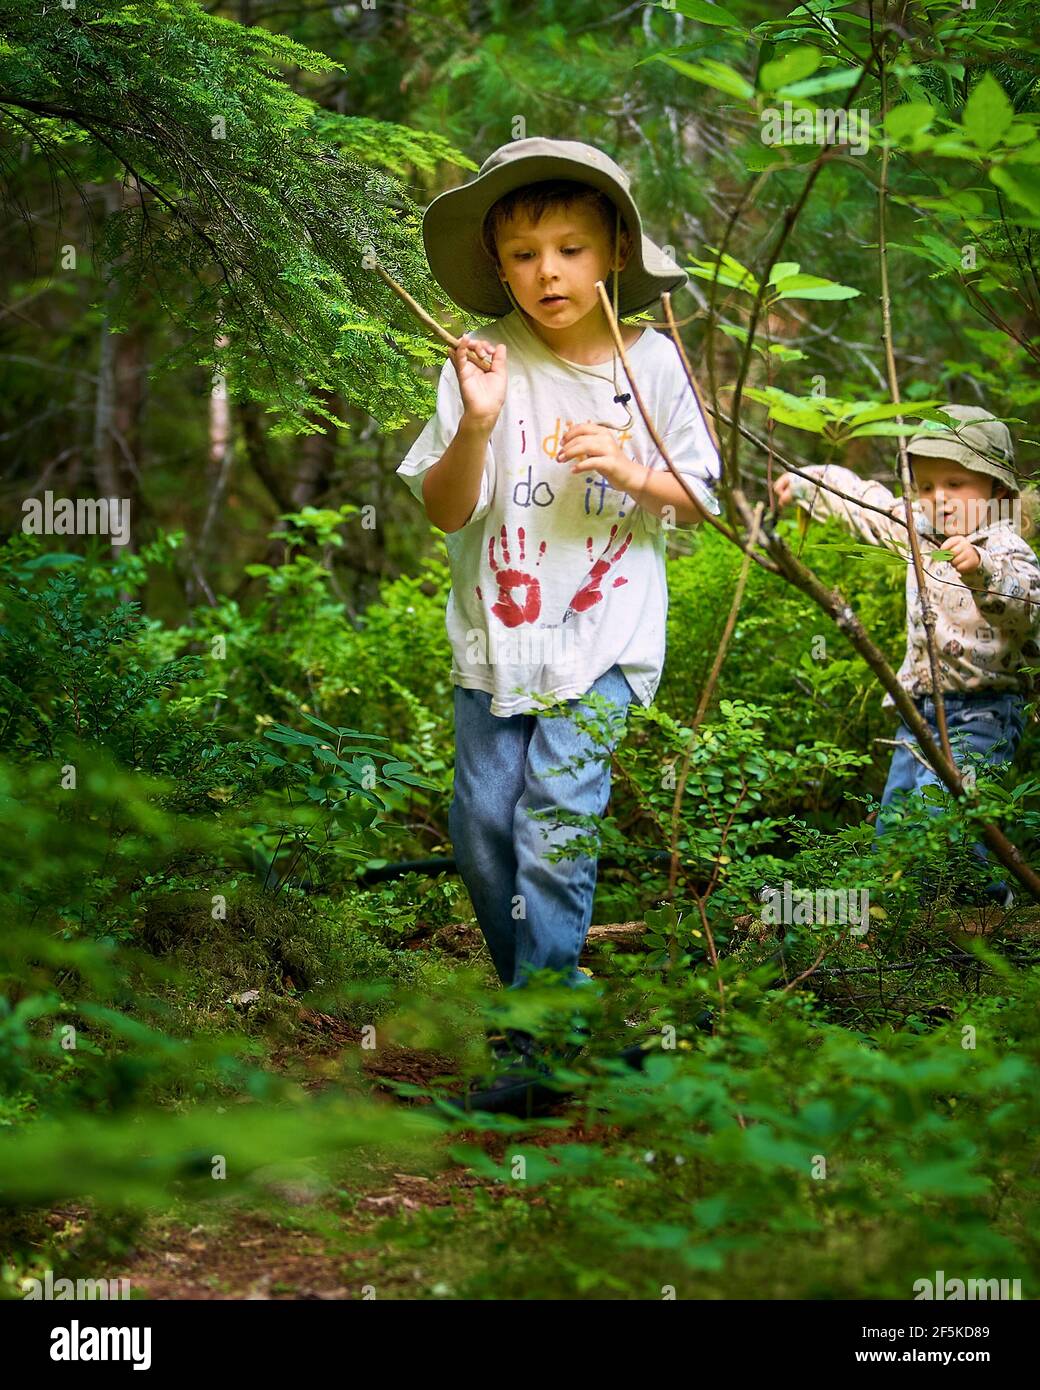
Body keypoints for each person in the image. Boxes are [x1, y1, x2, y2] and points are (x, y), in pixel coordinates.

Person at [395, 137, 721, 1082]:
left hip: (605, 641)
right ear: (496, 264)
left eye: (572, 248)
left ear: (616, 251)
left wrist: (627, 465)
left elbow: (703, 497)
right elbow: (446, 509)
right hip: (495, 644)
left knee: (554, 827)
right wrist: (482, 420)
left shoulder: (652, 363)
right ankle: (552, 1005)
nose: (548, 273)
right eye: (525, 254)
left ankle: (533, 1046)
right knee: (482, 828)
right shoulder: (482, 363)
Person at [774, 405, 1040, 908]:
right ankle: (905, 927)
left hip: (985, 710)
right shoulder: (918, 530)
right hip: (918, 710)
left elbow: (1028, 604)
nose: (938, 499)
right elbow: (867, 505)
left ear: (997, 492)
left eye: (956, 484)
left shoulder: (1006, 546)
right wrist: (810, 483)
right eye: (926, 485)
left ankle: (983, 914)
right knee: (898, 823)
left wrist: (982, 569)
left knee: (950, 818)